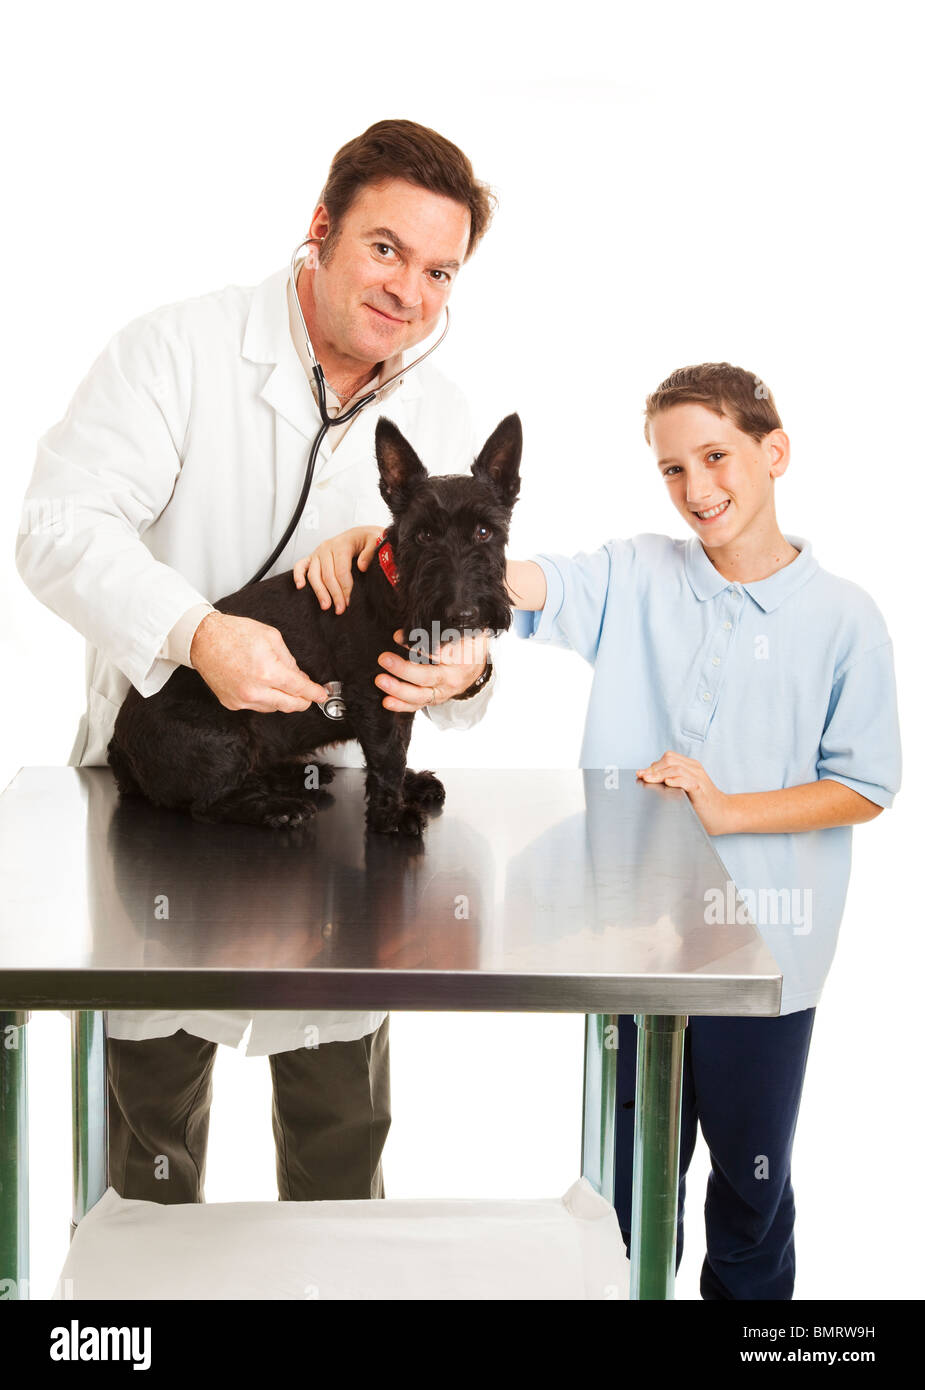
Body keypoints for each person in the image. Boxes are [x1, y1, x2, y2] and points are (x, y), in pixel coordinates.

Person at [304, 361, 902, 1298]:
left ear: (773, 452)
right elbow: (506, 573)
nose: (695, 488)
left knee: (750, 1194)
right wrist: (397, 539)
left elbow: (865, 785)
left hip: (769, 961)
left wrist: (728, 808)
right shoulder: (636, 574)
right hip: (630, 942)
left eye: (715, 456)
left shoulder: (846, 619)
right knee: (626, 1191)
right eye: (671, 469)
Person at [15, 119, 498, 1204]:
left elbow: (449, 621)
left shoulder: (439, 415)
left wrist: (459, 671)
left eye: (438, 271)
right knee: (148, 1159)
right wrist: (197, 632)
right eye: (384, 248)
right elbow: (55, 528)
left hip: (331, 812)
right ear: (321, 231)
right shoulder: (175, 350)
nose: (408, 292)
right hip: (165, 800)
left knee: (339, 1154)